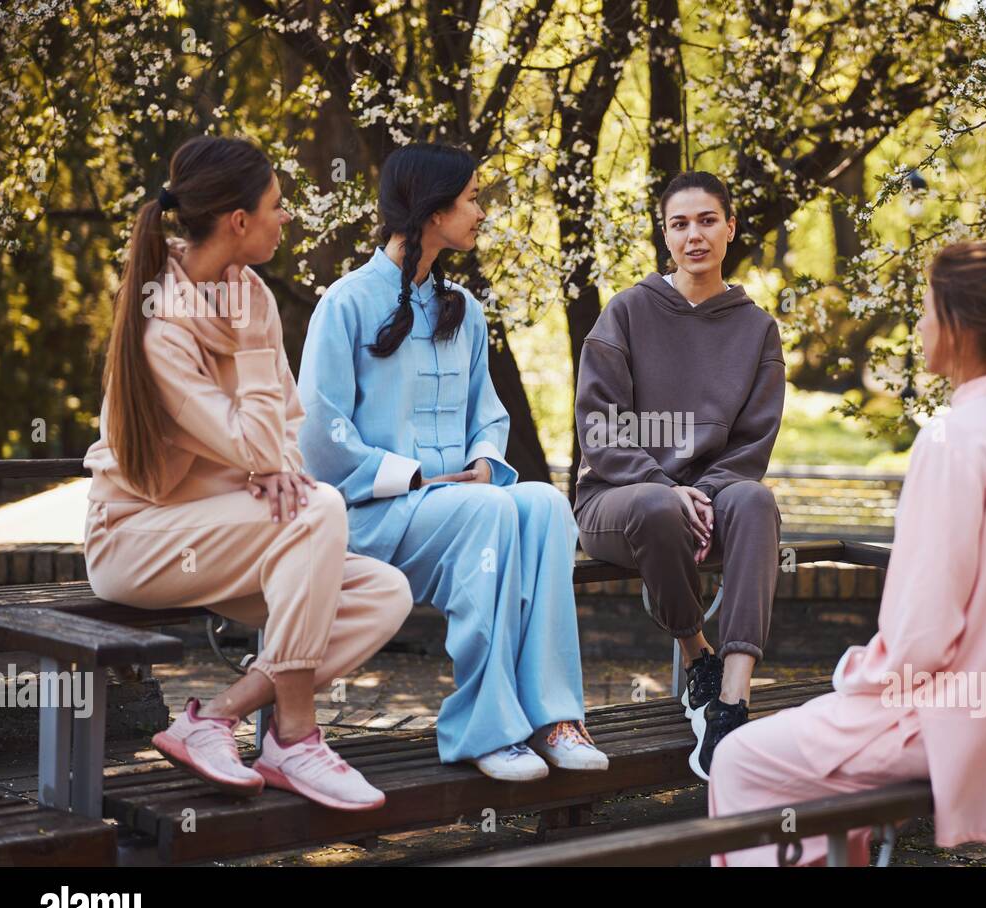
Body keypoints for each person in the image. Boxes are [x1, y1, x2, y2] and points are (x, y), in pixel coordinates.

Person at [707, 240, 986, 865]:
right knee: (801, 754)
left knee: (741, 756)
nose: (918, 325)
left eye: (928, 309)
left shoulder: (951, 440)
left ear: (959, 328)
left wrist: (852, 678)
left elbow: (922, 637)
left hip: (958, 720)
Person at [84, 135, 414, 812]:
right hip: (139, 540)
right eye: (276, 205)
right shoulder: (164, 331)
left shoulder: (251, 293)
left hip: (224, 532)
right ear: (238, 221)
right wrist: (253, 368)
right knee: (319, 509)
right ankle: (294, 737)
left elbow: (284, 433)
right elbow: (251, 438)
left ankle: (212, 719)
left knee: (384, 593)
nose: (286, 217)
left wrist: (275, 470)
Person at [297, 142, 606, 782]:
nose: (481, 212)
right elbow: (319, 435)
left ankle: (552, 716)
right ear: (433, 211)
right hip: (370, 517)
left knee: (545, 505)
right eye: (471, 199)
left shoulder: (461, 309)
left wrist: (484, 461)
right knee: (486, 511)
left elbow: (488, 415)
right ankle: (483, 727)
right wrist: (416, 477)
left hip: (457, 509)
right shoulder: (345, 304)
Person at [573, 171, 786, 781]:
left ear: (731, 227)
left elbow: (752, 444)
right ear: (665, 235)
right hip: (620, 503)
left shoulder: (757, 330)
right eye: (680, 224)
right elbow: (601, 431)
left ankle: (730, 705)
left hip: (710, 506)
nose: (695, 236)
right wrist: (670, 489)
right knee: (659, 507)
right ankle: (699, 658)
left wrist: (706, 493)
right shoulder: (627, 313)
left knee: (756, 502)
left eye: (707, 221)